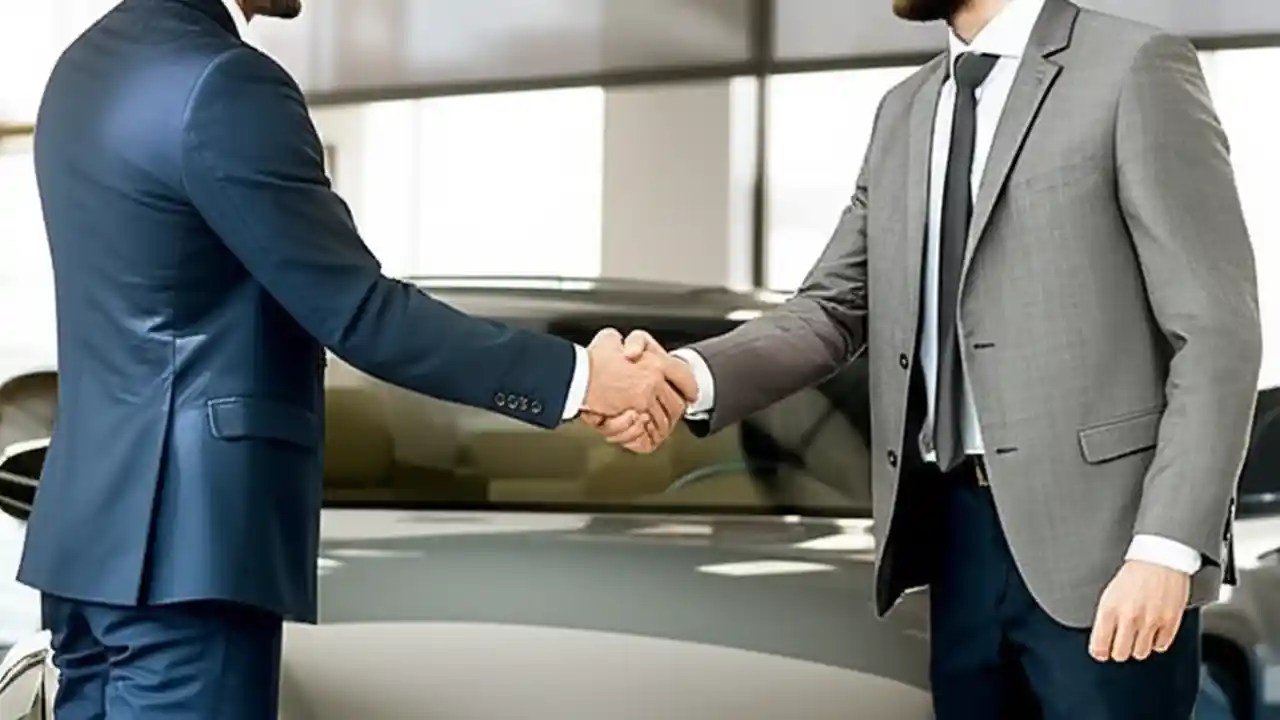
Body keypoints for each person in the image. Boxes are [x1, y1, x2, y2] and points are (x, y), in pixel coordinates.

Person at [19, 0, 694, 717]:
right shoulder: (224, 83)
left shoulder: (81, 72)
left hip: (87, 544)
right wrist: (583, 378)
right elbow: (361, 312)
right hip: (189, 548)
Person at [587, 0, 1261, 716]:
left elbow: (1217, 331)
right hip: (955, 537)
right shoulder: (904, 111)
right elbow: (832, 307)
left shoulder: (1134, 67)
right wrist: (682, 375)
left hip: (1108, 545)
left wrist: (1167, 548)